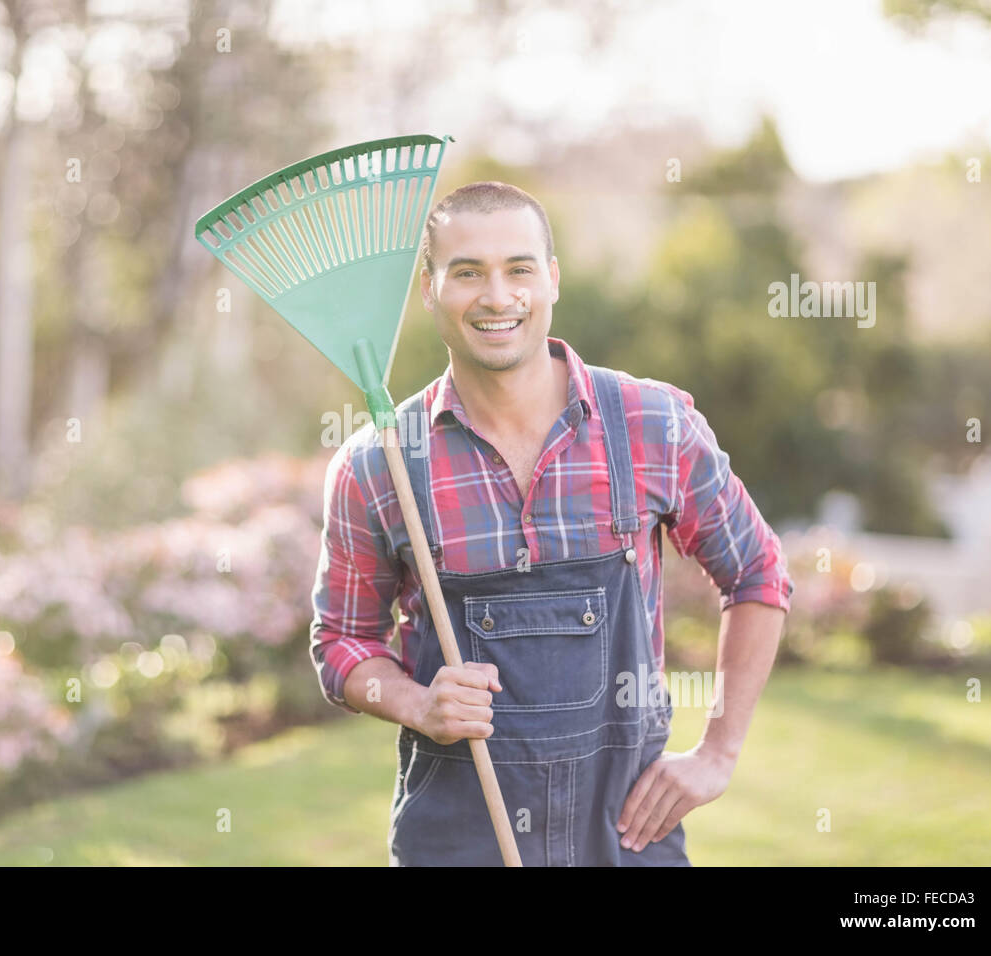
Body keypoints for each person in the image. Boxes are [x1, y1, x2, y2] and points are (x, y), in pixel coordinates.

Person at [308, 181, 794, 866]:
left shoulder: (651, 425)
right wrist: (417, 703)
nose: (497, 296)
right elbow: (341, 641)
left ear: (553, 280)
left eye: (519, 268)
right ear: (428, 289)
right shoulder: (378, 464)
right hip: (458, 842)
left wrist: (719, 752)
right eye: (467, 272)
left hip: (627, 838)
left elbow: (758, 572)